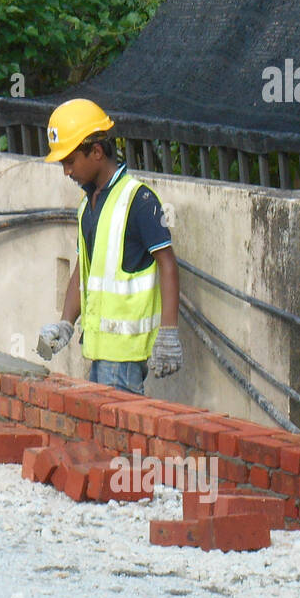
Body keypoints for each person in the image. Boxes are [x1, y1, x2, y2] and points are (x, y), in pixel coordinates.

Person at [37, 98, 182, 394]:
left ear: (97, 152)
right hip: (99, 350)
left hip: (125, 356)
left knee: (116, 438)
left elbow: (167, 264)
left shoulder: (138, 200)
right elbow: (84, 268)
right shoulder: (88, 204)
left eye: (70, 161)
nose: (66, 171)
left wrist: (168, 333)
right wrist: (66, 322)